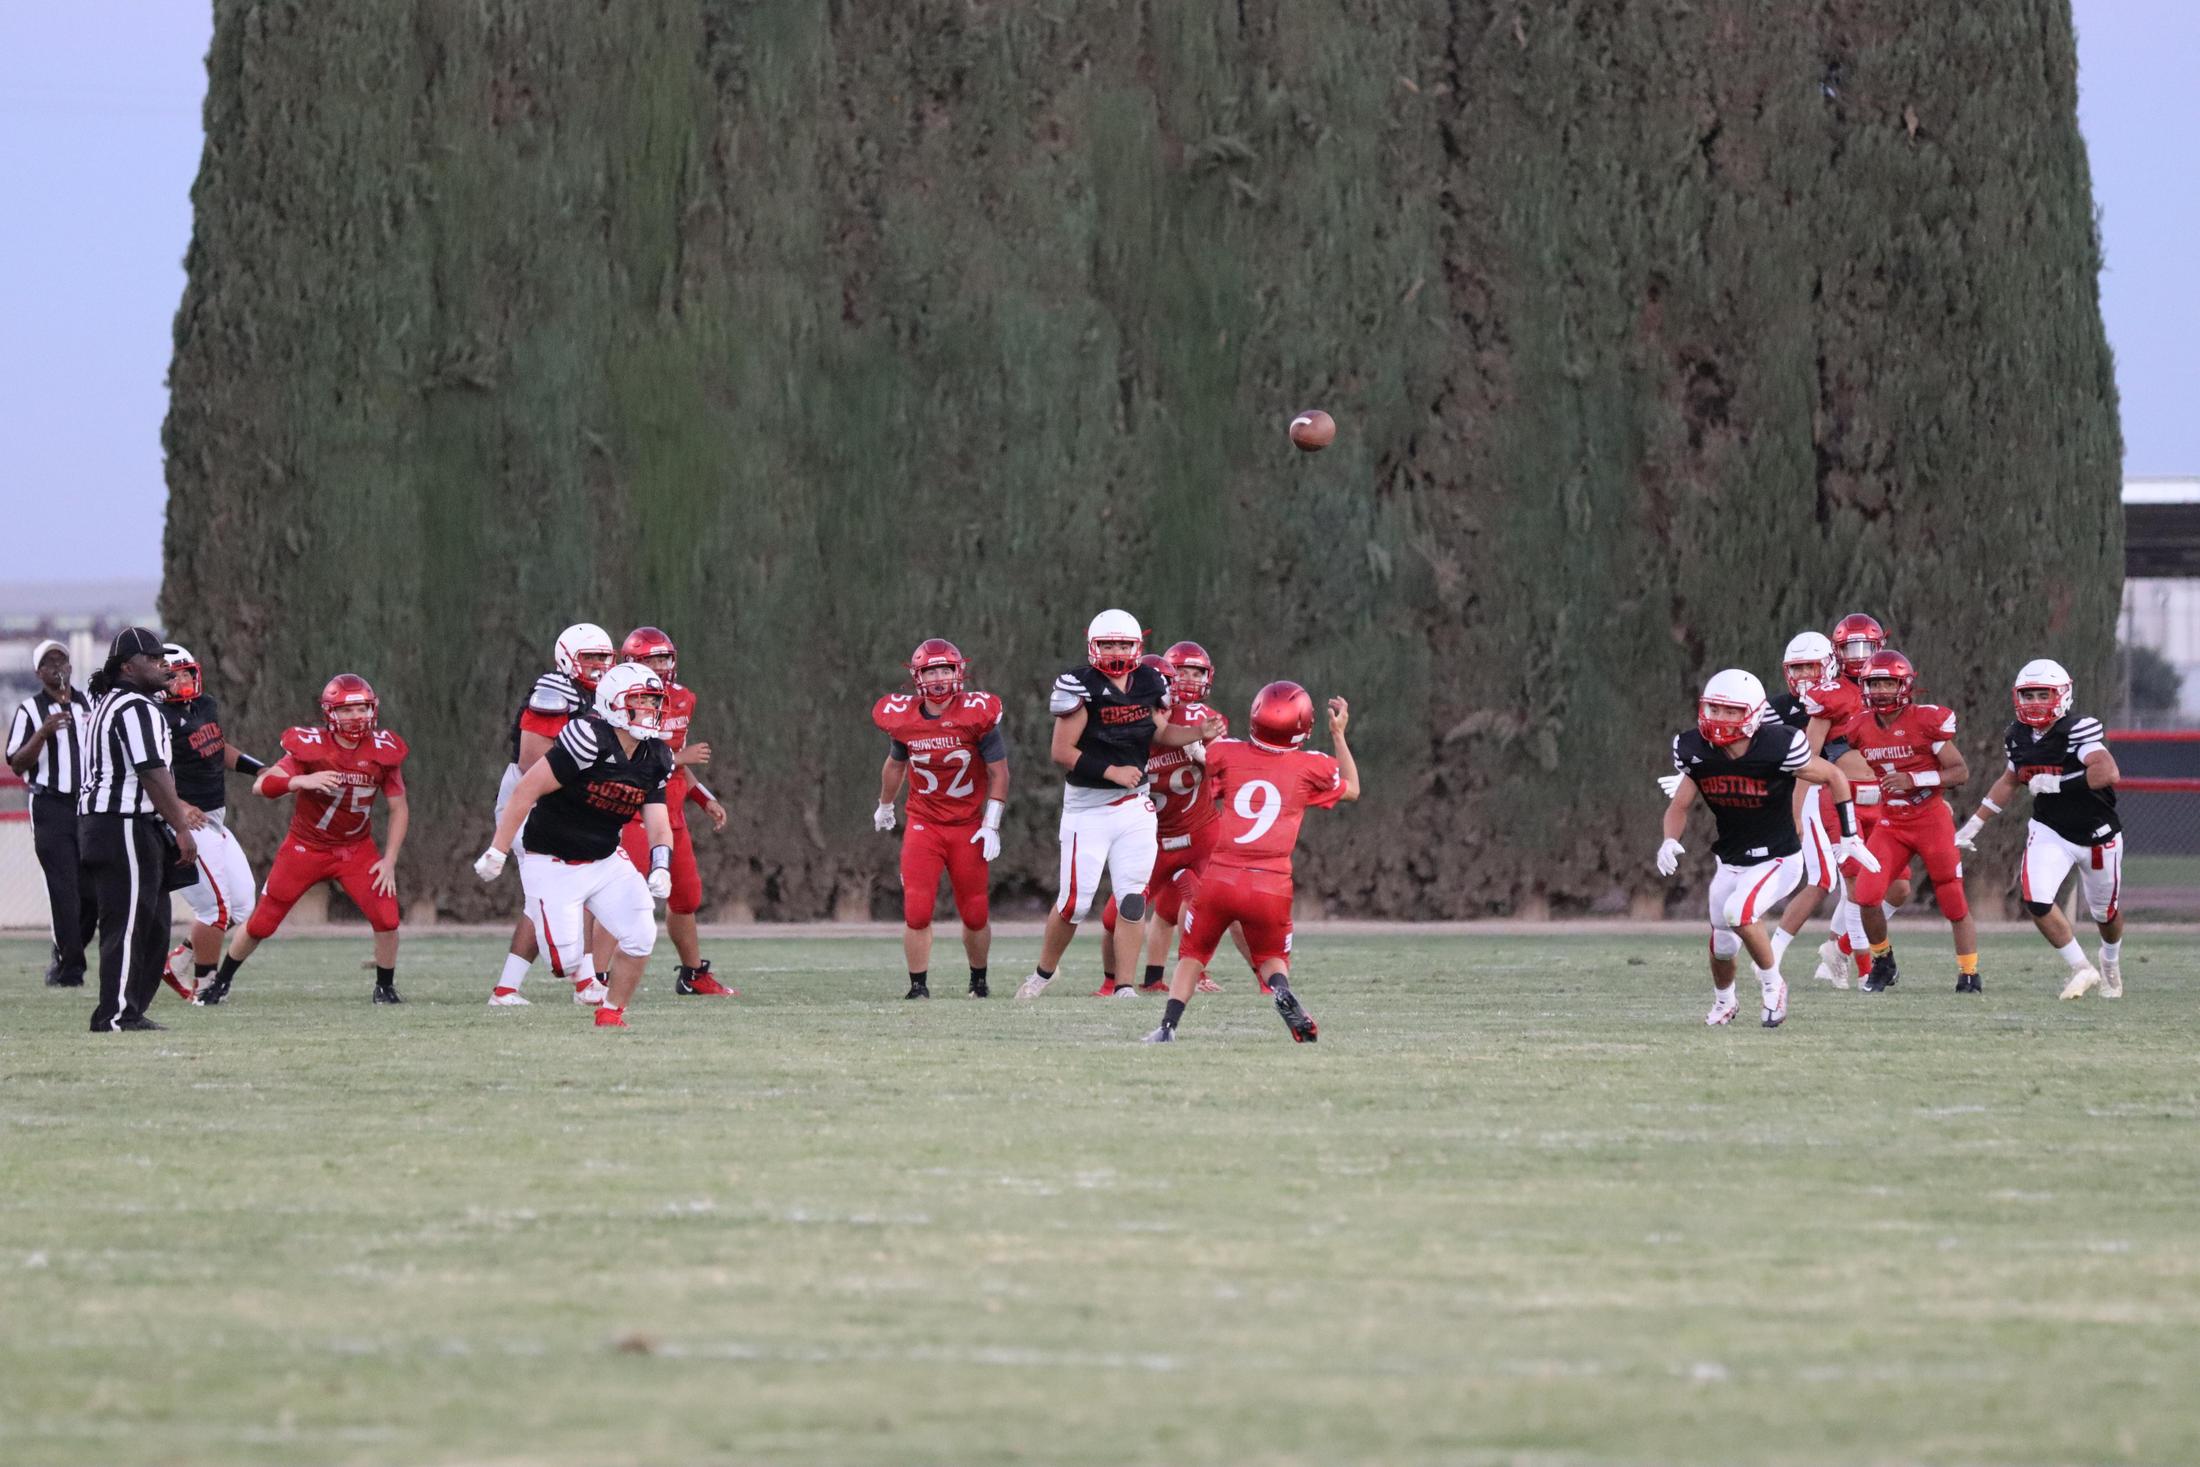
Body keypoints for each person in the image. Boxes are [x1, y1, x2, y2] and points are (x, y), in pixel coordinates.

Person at [1016, 610, 1219, 1000]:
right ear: (1093, 646)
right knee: (1074, 903)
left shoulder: (1150, 681)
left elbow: (1161, 731)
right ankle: (1044, 973)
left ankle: (1124, 986)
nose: (1115, 651)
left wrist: (1198, 733)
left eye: (1123, 644)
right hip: (1087, 807)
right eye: (1108, 644)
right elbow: (1061, 751)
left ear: (1136, 647)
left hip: (1134, 805)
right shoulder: (1079, 685)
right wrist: (1112, 771)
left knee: (1132, 898)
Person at [1143, 682, 1358, 1043]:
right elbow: (1351, 787)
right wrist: (1338, 735)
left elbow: (1201, 758)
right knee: (1272, 957)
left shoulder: (1228, 753)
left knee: (1192, 956)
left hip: (1221, 876)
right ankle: (1280, 989)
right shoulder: (1311, 765)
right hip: (1271, 882)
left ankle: (1167, 1027)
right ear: (1303, 726)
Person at [1657, 669, 1872, 1028]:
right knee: (1723, 942)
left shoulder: (1779, 746)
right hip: (1730, 860)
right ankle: (1725, 1001)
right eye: (1715, 709)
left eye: (1731, 711)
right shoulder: (1696, 749)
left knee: (1738, 912)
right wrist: (1669, 839)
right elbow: (1680, 805)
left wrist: (1849, 834)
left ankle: (1774, 984)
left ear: (1754, 714)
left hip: (1778, 857)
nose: (1720, 719)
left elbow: (1834, 776)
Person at [474, 663, 676, 1029]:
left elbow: (659, 822)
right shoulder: (588, 737)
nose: (651, 709)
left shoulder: (657, 757)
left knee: (641, 934)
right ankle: (546, 957)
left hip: (604, 858)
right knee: (562, 963)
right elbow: (527, 788)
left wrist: (661, 863)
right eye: (642, 701)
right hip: (553, 859)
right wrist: (498, 850)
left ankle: (611, 1013)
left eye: (654, 701)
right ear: (615, 703)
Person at [196, 675, 410, 1005]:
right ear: (330, 713)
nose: (356, 717)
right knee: (263, 922)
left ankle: (385, 987)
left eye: (362, 708)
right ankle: (221, 981)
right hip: (306, 847)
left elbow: (398, 808)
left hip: (355, 849)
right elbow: (261, 786)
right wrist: (302, 780)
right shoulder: (311, 746)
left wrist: (390, 860)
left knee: (387, 917)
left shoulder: (383, 750)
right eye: (348, 709)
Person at [1954, 659, 2126, 999]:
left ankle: (2109, 961)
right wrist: (1974, 824)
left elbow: (2108, 773)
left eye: (2042, 694)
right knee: (2036, 899)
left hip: (2097, 832)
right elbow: (2009, 780)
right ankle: (2081, 968)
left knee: (2105, 914)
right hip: (2050, 830)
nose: (2034, 702)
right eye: (2028, 694)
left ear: (2062, 696)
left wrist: (2060, 783)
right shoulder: (2017, 735)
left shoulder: (2078, 729)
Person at [598, 627, 733, 997]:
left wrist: (704, 799)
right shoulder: (621, 699)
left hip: (671, 815)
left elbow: (677, 764)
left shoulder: (683, 699)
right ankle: (596, 979)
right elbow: (625, 759)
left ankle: (692, 974)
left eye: (665, 658)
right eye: (652, 659)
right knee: (620, 898)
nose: (661, 666)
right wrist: (679, 757)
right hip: (632, 811)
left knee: (686, 898)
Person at [75, 627, 199, 1032]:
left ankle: (131, 1008)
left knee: (153, 921)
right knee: (127, 921)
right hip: (121, 823)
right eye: (152, 658)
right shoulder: (133, 707)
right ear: (128, 666)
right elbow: (151, 771)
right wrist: (181, 828)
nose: (163, 664)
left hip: (118, 823)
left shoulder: (114, 704)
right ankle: (115, 1014)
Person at [872, 638, 1008, 998]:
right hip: (924, 825)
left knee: (976, 913)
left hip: (967, 826)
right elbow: (895, 765)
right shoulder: (905, 720)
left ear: (958, 671)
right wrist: (885, 804)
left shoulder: (977, 715)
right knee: (917, 912)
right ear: (918, 676)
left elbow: (999, 773)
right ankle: (918, 987)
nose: (938, 677)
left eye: (945, 669)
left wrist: (991, 822)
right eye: (931, 670)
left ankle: (978, 981)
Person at [488, 623, 616, 1006]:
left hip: (567, 799)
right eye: (589, 657)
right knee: (555, 890)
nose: (597, 665)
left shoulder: (605, 694)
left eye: (603, 657)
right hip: (532, 799)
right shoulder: (554, 690)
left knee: (571, 890)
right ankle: (578, 982)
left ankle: (511, 989)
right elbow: (531, 760)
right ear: (567, 659)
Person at [1844, 650, 1977, 993]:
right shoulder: (1859, 727)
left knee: (1952, 898)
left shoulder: (1925, 721)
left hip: (1930, 818)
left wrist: (1915, 781)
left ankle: (1968, 972)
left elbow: (1960, 772)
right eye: (1875, 683)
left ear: (1904, 685)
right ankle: (1883, 961)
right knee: (1866, 893)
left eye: (1889, 682)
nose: (1882, 690)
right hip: (1893, 822)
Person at [155, 643, 268, 997]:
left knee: (242, 905)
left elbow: (218, 749)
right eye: (174, 676)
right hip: (185, 822)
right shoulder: (157, 718)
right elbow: (150, 773)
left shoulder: (204, 705)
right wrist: (179, 806)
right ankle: (206, 985)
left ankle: (179, 960)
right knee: (215, 908)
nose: (184, 681)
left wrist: (259, 769)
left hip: (214, 819)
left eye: (187, 672)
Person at [6, 639, 95, 986]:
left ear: (71, 667)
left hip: (87, 805)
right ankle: (71, 969)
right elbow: (17, 763)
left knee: (92, 891)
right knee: (64, 887)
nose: (58, 667)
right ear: (38, 672)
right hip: (50, 805)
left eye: (62, 660)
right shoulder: (30, 709)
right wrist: (42, 733)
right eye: (49, 662)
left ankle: (66, 953)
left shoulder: (88, 703)